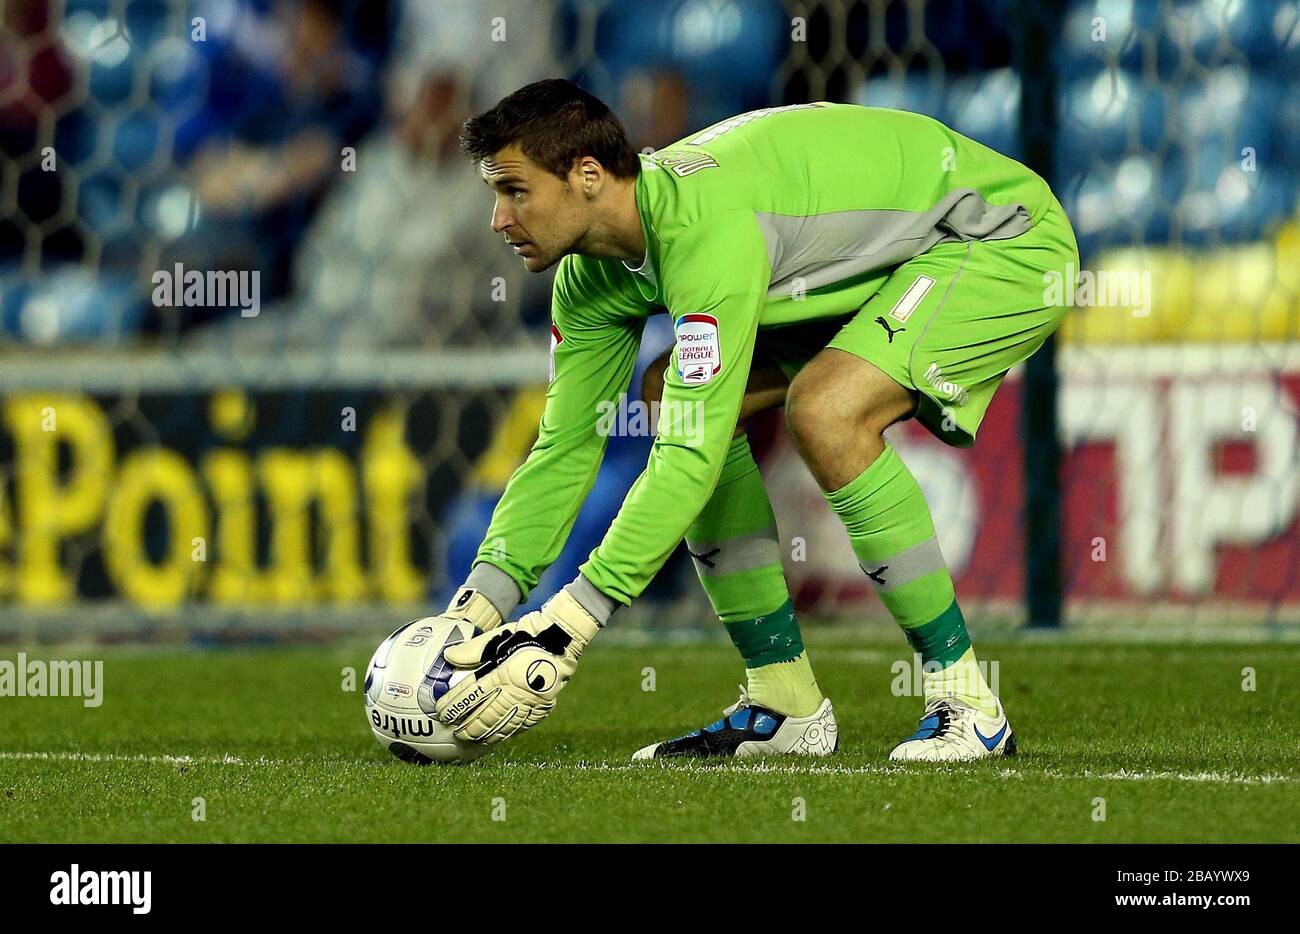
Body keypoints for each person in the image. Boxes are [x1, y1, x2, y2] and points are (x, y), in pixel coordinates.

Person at [429, 78, 1078, 761]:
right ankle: (784, 702)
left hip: (999, 238)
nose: (498, 219)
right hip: (866, 265)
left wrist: (571, 619)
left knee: (828, 410)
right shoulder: (589, 279)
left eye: (515, 191)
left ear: (587, 176)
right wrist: (473, 610)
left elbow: (689, 456)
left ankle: (967, 700)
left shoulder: (704, 229)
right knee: (665, 390)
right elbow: (563, 448)